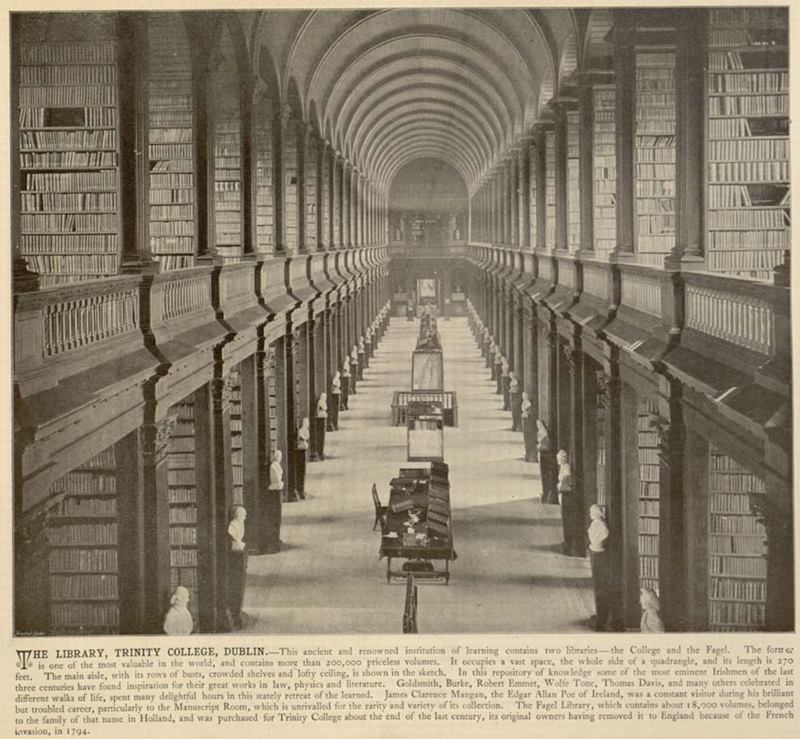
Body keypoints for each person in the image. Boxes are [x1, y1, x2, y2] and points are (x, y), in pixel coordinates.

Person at [588, 505, 611, 631]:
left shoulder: (602, 527)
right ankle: (600, 616)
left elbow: (602, 536)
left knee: (601, 585)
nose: (589, 514)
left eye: (591, 512)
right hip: (596, 551)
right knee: (598, 584)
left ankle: (602, 618)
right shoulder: (594, 525)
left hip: (599, 554)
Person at [557, 449, 583, 557]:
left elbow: (565, 482)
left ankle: (569, 543)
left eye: (559, 458)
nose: (558, 460)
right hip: (564, 494)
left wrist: (560, 486)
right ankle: (567, 542)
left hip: (567, 495)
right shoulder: (563, 467)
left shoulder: (566, 469)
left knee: (568, 518)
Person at [227, 505, 248, 629]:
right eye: (243, 515)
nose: (245, 517)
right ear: (238, 515)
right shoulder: (233, 526)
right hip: (236, 553)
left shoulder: (240, 524)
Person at [262, 449, 283, 553]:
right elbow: (276, 479)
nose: (280, 457)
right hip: (274, 491)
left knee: (277, 516)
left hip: (277, 490)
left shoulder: (276, 465)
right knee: (274, 515)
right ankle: (273, 541)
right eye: (279, 455)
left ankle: (275, 539)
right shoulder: (273, 467)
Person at [538, 421, 559, 504]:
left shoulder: (545, 435)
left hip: (546, 454)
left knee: (548, 474)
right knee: (546, 474)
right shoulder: (544, 433)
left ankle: (548, 494)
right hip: (545, 453)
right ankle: (547, 493)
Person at [294, 417, 310, 496]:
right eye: (306, 422)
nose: (307, 424)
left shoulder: (305, 431)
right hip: (301, 448)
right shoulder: (300, 431)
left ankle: (301, 489)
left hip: (303, 446)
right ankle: (300, 489)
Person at [521, 392, 534, 460]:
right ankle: (528, 453)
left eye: (524, 396)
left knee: (528, 437)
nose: (523, 397)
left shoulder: (528, 404)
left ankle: (530, 454)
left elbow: (529, 412)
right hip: (525, 419)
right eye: (523, 396)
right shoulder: (524, 403)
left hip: (527, 420)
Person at [315, 393, 328, 460]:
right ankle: (319, 452)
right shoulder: (320, 402)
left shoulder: (322, 402)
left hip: (323, 416)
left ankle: (320, 452)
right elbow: (317, 409)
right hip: (321, 417)